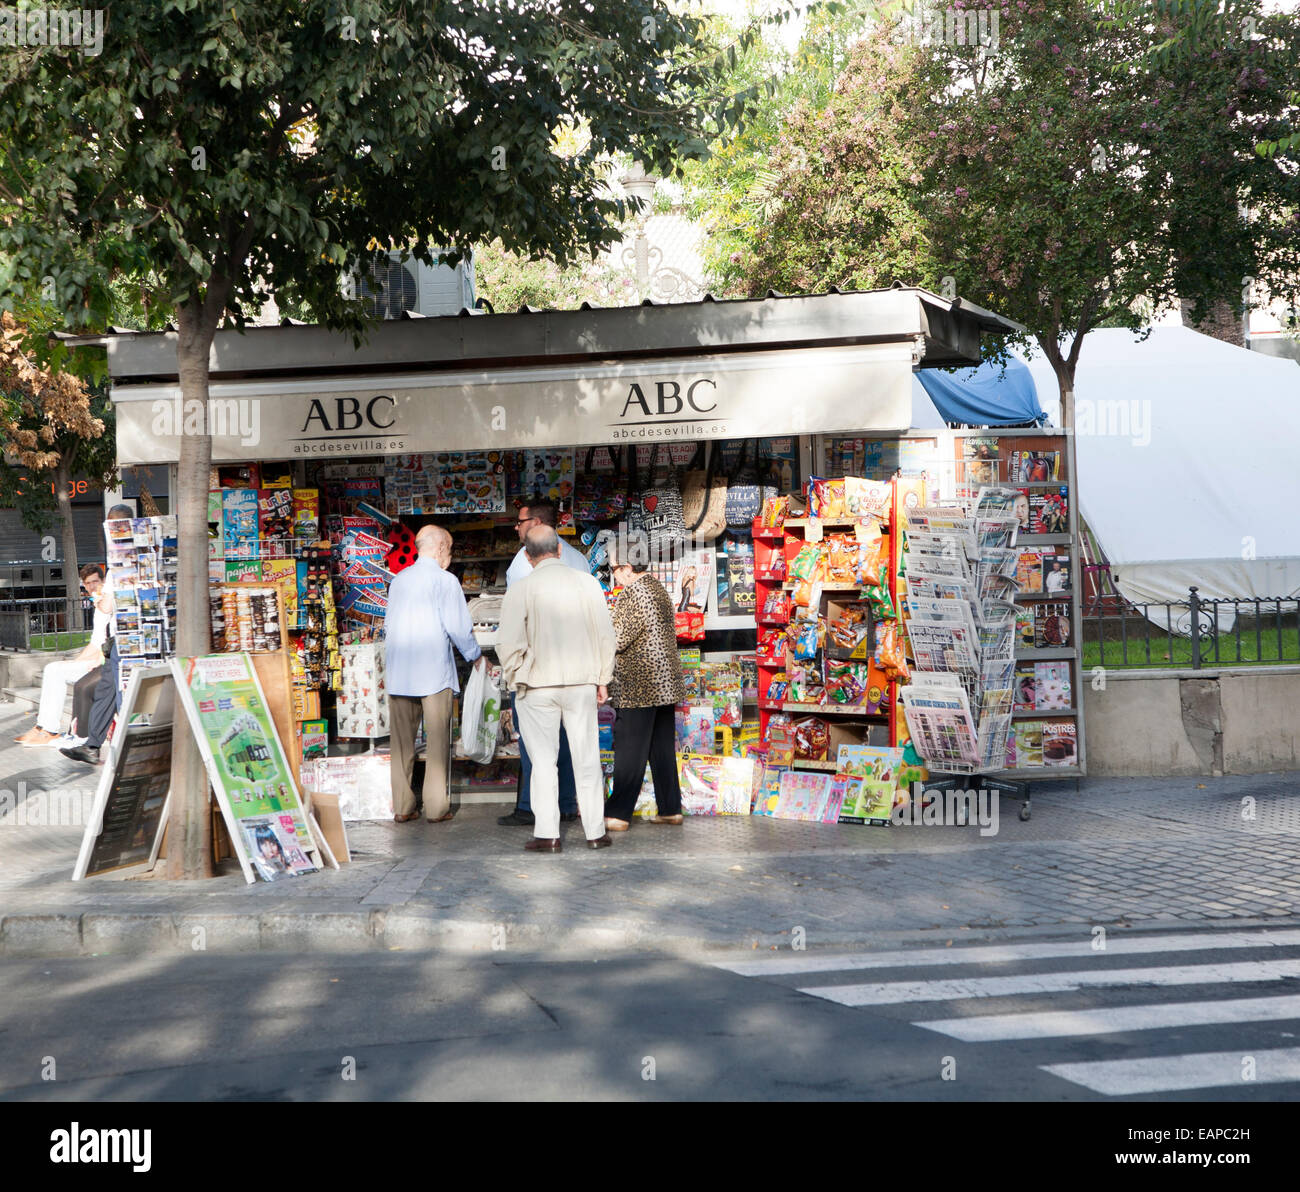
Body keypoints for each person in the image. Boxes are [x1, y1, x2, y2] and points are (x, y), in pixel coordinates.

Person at [496, 525, 615, 853]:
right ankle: (595, 832)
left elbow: (507, 642)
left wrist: (516, 675)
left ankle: (547, 835)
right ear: (560, 550)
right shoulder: (588, 584)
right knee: (587, 759)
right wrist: (602, 678)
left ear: (529, 557)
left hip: (536, 686)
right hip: (581, 683)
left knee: (543, 763)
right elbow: (606, 635)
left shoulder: (521, 589)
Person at [384, 524, 483, 824]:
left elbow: (388, 625)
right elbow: (457, 626)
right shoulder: (445, 581)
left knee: (401, 745)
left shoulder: (399, 580)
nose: (450, 557)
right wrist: (476, 656)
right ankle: (437, 807)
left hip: (400, 673)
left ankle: (403, 806)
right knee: (438, 741)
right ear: (440, 548)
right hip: (433, 674)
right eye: (450, 550)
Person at [499, 498, 588, 828]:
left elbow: (514, 625)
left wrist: (513, 669)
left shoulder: (525, 562)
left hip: (536, 670)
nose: (518, 528)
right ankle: (567, 803)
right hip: (573, 669)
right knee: (567, 742)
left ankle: (532, 809)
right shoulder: (578, 558)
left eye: (520, 522)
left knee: (535, 746)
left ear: (535, 523)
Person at [604, 554, 686, 831]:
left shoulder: (633, 593)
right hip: (664, 682)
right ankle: (670, 808)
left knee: (630, 749)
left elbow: (616, 638)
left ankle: (617, 814)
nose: (614, 574)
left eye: (615, 568)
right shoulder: (657, 587)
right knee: (660, 748)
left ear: (627, 568)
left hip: (640, 683)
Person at [61, 504, 135, 767]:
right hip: (120, 643)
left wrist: (97, 598)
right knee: (106, 691)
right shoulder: (140, 553)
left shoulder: (119, 562)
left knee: (119, 691)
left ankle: (123, 746)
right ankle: (92, 745)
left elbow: (108, 606)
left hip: (124, 642)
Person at [16, 564, 111, 747]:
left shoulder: (106, 605)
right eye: (88, 583)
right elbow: (95, 642)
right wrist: (75, 662)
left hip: (103, 662)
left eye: (96, 582)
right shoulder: (98, 606)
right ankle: (43, 727)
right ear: (83, 585)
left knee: (54, 670)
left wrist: (90, 661)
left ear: (104, 582)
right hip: (96, 659)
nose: (92, 587)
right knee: (54, 669)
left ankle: (48, 730)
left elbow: (105, 642)